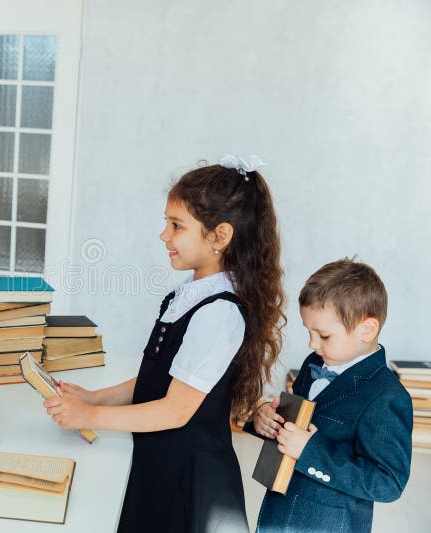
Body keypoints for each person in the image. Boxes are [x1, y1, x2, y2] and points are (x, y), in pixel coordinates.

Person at [44, 155, 286, 532]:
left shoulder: (218, 312)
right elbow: (158, 378)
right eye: (166, 224)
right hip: (161, 463)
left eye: (177, 226)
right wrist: (95, 398)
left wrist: (90, 417)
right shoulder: (188, 295)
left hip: (190, 480)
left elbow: (175, 410)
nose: (164, 236)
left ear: (219, 236)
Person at [251, 258, 412, 532]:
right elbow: (296, 423)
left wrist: (310, 452)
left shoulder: (386, 396)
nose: (312, 344)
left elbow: (387, 483)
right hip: (276, 516)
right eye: (309, 332)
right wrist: (266, 419)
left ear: (367, 329)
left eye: (324, 336)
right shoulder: (313, 364)